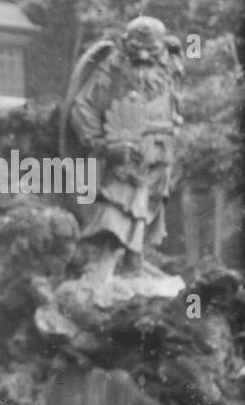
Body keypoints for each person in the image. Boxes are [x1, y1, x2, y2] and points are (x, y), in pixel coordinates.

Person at [64, 15, 183, 281]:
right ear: (125, 43)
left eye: (150, 49)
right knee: (122, 203)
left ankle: (133, 261)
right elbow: (83, 106)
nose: (142, 54)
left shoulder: (171, 66)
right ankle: (105, 266)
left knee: (145, 208)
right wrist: (102, 144)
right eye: (135, 47)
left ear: (162, 46)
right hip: (125, 150)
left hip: (160, 151)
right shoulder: (112, 67)